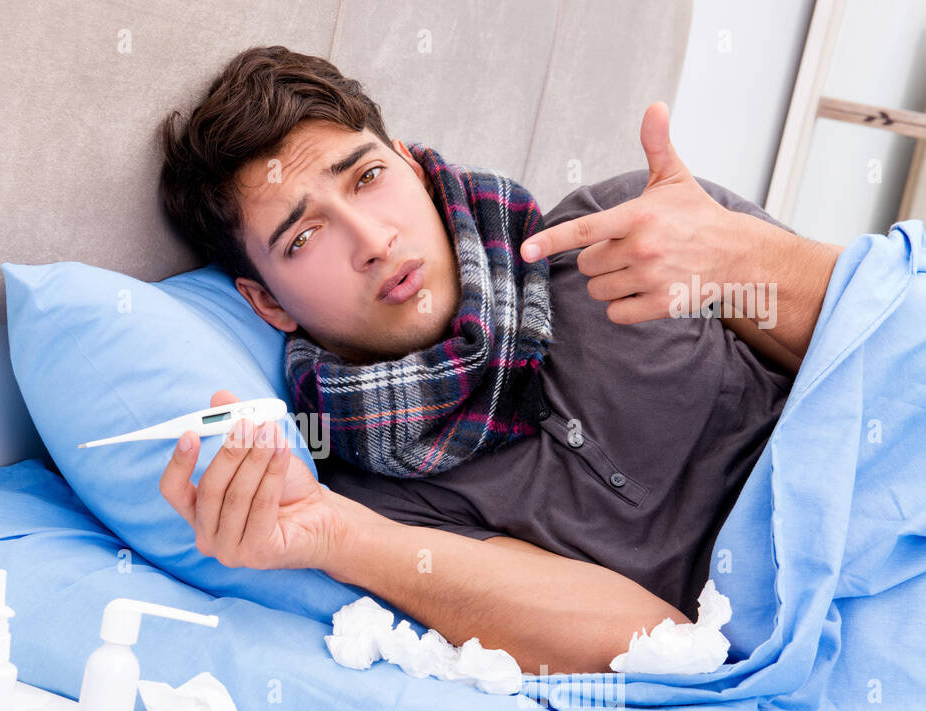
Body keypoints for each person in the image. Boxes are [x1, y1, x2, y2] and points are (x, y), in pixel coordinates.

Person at [155, 46, 844, 674]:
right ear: (267, 304)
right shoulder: (380, 497)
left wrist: (737, 259)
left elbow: (883, 341)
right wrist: (340, 536)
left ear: (415, 168)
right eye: (304, 235)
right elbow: (660, 636)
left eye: (367, 178)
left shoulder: (626, 221)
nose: (371, 239)